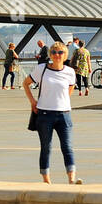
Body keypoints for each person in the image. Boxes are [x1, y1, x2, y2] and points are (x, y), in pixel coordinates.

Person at [21, 42, 80, 185]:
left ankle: (71, 178)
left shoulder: (70, 72)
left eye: (60, 53)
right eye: (54, 52)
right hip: (45, 114)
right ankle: (46, 179)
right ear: (50, 55)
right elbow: (26, 83)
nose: (57, 55)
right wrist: (32, 101)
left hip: (64, 114)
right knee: (46, 147)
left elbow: (70, 87)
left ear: (65, 55)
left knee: (67, 147)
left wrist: (63, 100)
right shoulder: (42, 69)